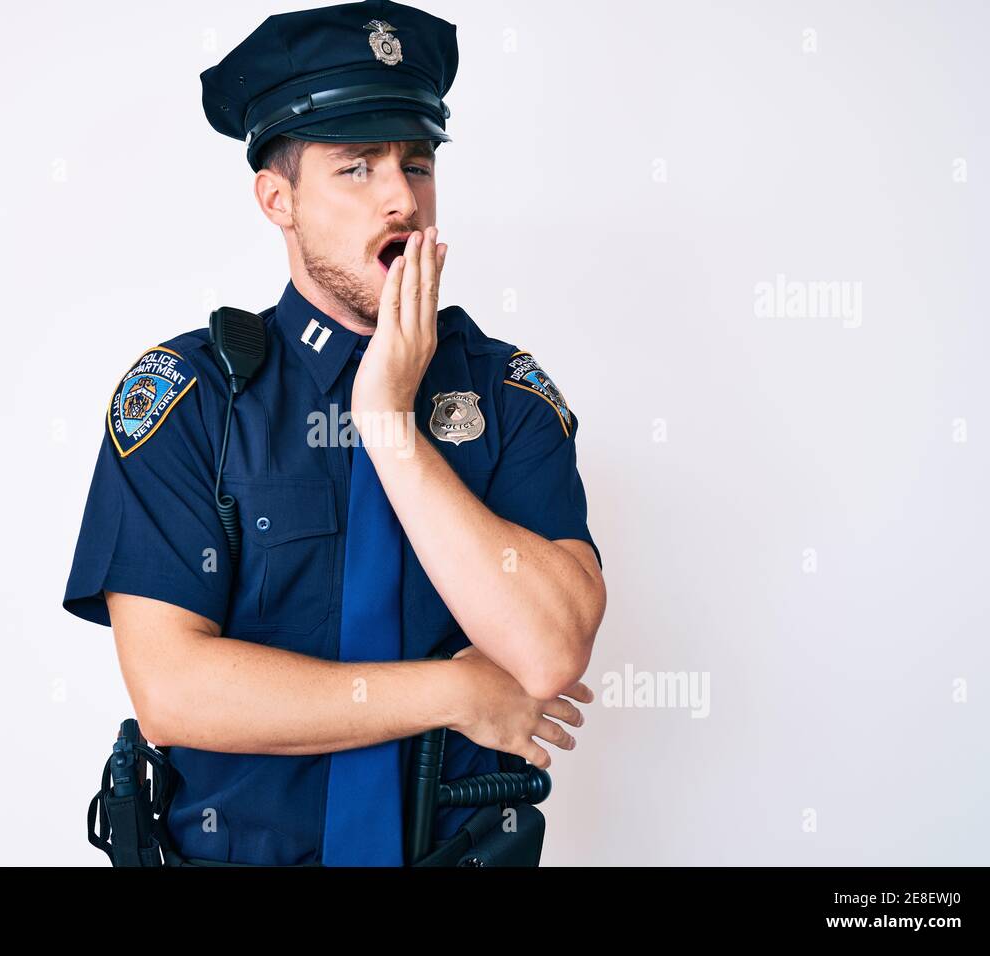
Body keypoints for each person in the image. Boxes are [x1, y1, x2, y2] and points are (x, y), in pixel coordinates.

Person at [63, 0, 606, 866]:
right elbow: (175, 690)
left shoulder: (502, 393)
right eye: (357, 168)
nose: (402, 197)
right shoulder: (191, 397)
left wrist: (390, 424)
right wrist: (452, 691)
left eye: (417, 163)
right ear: (278, 199)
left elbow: (548, 648)